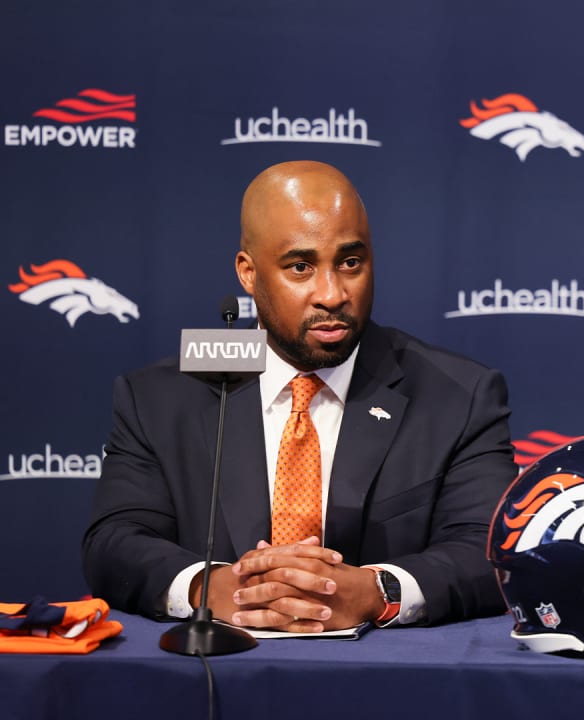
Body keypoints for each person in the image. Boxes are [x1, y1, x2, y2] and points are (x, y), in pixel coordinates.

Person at [83, 160, 517, 631]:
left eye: (351, 262)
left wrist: (379, 591)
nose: (331, 293)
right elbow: (115, 542)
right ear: (248, 274)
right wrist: (209, 588)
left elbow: (489, 547)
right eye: (300, 267)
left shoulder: (459, 395)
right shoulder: (161, 398)